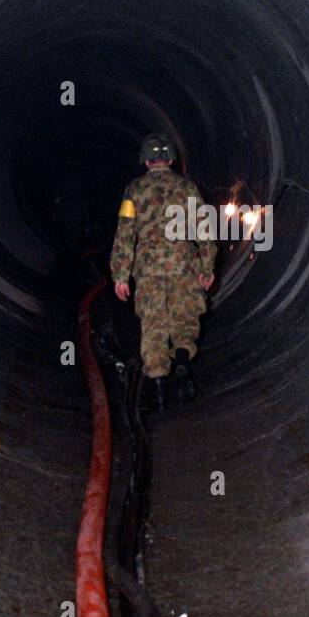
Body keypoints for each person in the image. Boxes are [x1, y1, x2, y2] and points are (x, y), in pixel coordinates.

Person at [110, 133, 216, 410]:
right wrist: (206, 267)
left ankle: (158, 389)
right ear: (170, 159)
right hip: (184, 266)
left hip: (148, 270)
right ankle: (181, 361)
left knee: (154, 326)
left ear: (146, 162)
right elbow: (204, 230)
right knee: (184, 322)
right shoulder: (187, 188)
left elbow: (125, 234)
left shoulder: (134, 191)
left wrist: (120, 275)